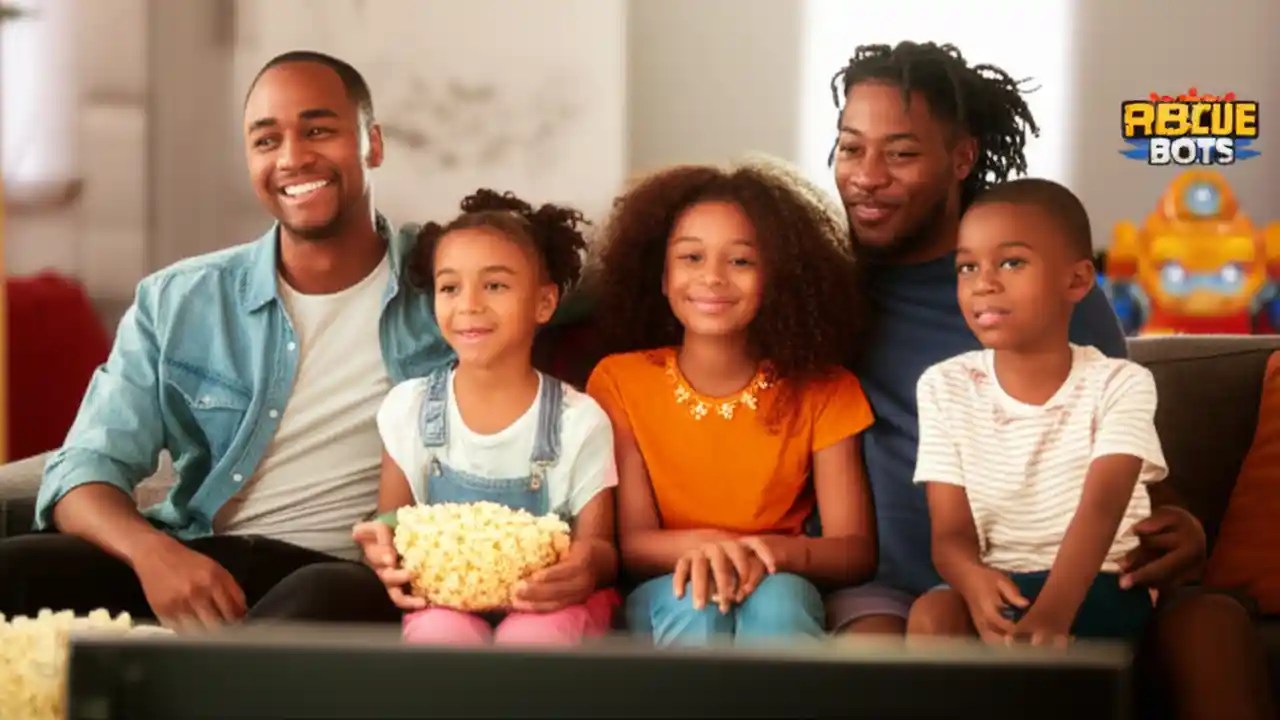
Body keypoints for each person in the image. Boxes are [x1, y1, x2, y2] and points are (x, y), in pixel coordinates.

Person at [824, 40, 1274, 719]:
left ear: (961, 159)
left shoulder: (1054, 289)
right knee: (896, 665)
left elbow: (1112, 443)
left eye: (902, 153)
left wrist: (1180, 524)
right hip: (897, 586)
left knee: (1210, 626)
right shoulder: (818, 286)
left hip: (1076, 572)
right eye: (851, 148)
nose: (866, 176)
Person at [0, 51, 451, 631]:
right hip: (196, 555)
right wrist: (154, 554)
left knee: (325, 598)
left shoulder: (447, 287)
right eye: (267, 141)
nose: (292, 158)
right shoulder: (180, 300)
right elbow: (84, 470)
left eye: (318, 130)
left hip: (338, 574)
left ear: (373, 144)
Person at [585, 159, 878, 646]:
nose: (714, 278)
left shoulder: (826, 388)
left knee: (782, 602)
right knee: (693, 600)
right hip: (666, 588)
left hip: (779, 579)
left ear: (778, 277)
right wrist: (709, 551)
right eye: (691, 258)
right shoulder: (619, 380)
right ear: (660, 276)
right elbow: (633, 544)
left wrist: (764, 554)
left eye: (741, 260)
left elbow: (854, 551)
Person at [350, 189, 620, 645]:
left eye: (494, 285)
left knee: (531, 640)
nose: (469, 304)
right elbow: (394, 519)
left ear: (544, 303)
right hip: (446, 601)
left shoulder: (581, 421)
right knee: (440, 636)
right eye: (450, 287)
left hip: (551, 606)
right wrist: (379, 544)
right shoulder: (409, 408)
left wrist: (585, 566)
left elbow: (602, 549)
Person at [907, 178, 1167, 646]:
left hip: (1101, 585)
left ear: (1078, 280)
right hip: (1006, 584)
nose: (983, 283)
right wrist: (971, 580)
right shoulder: (943, 386)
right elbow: (949, 532)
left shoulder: (1121, 383)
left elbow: (1102, 508)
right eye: (967, 267)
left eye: (1011, 262)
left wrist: (1053, 613)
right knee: (933, 612)